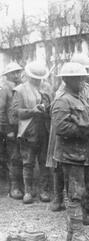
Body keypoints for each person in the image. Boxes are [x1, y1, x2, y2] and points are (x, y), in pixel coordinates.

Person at [52, 62, 89, 241]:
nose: (83, 81)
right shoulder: (62, 100)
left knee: (78, 192)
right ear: (68, 80)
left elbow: (86, 118)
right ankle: (77, 235)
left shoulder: (78, 98)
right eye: (79, 78)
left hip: (80, 152)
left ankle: (73, 232)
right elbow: (60, 127)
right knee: (74, 194)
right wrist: (87, 129)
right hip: (70, 154)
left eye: (83, 78)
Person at [10, 61, 52, 204]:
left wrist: (47, 108)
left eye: (39, 78)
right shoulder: (20, 90)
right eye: (35, 78)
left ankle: (44, 191)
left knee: (44, 162)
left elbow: (53, 107)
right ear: (29, 76)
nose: (37, 81)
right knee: (27, 162)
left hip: (44, 130)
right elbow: (16, 112)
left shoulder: (47, 88)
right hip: (28, 131)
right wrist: (32, 111)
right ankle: (28, 191)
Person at [0, 62, 24, 200]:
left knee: (21, 156)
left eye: (18, 72)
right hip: (10, 128)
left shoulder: (19, 87)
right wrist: (7, 130)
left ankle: (22, 185)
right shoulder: (4, 89)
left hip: (20, 127)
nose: (16, 74)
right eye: (13, 72)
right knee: (13, 157)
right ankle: (14, 187)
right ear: (7, 75)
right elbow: (1, 111)